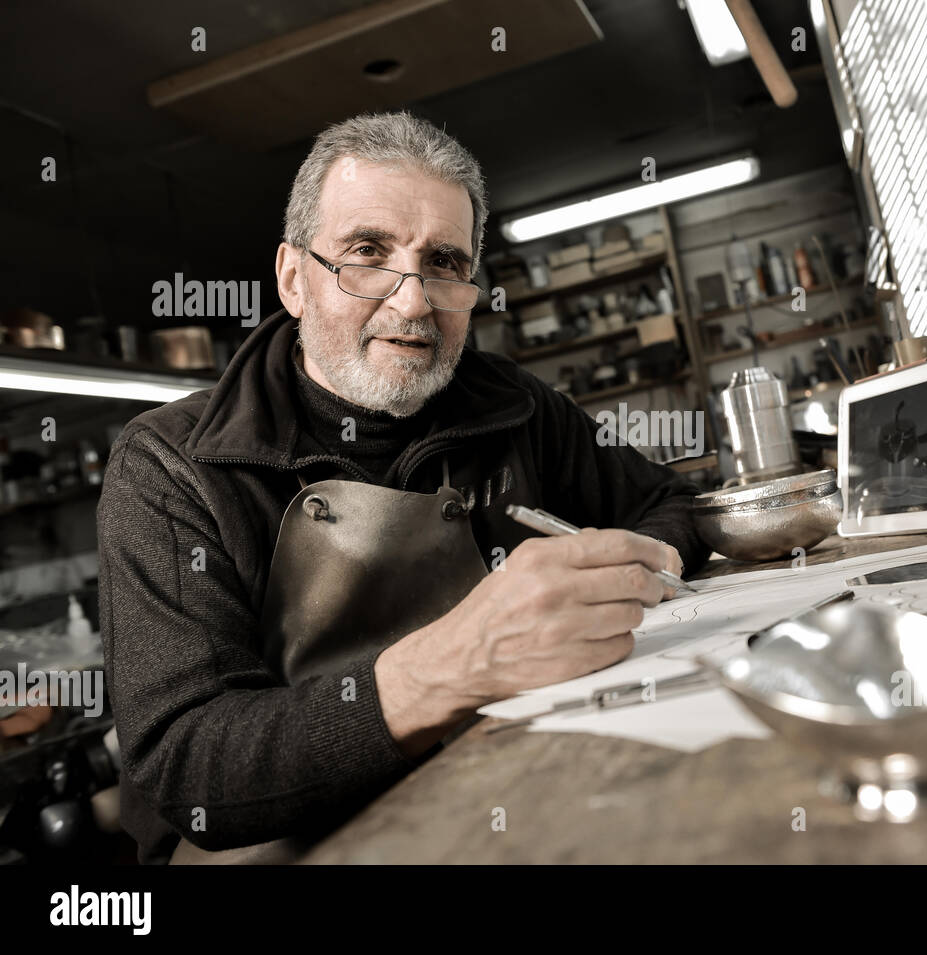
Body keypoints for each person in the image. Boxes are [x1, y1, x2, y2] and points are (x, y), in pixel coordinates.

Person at [97, 111, 707, 862]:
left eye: (444, 262)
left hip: (505, 803)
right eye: (367, 252)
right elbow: (190, 769)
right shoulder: (171, 467)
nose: (413, 301)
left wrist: (628, 574)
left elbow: (670, 506)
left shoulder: (513, 405)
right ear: (294, 279)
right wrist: (454, 663)